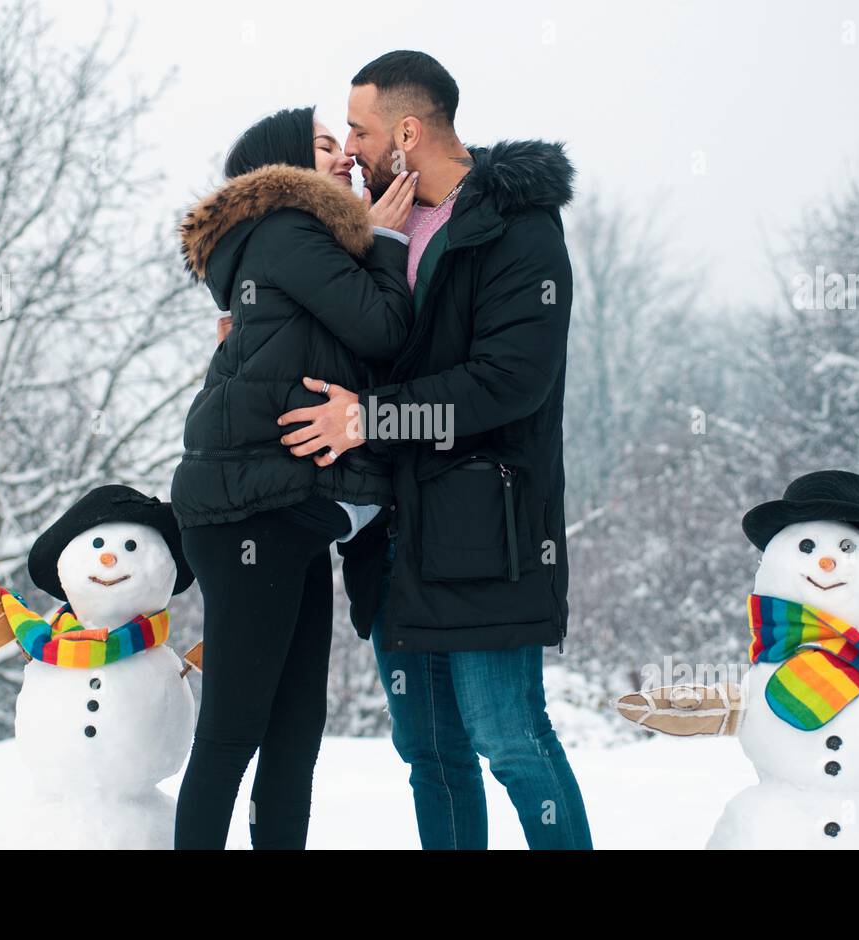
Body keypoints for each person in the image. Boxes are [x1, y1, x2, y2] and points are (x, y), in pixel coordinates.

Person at [276, 52, 593, 849]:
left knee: (509, 738)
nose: (350, 148)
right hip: (392, 533)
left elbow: (508, 382)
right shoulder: (376, 226)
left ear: (409, 132)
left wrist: (370, 419)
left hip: (488, 531)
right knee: (430, 752)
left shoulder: (516, 230)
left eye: (361, 130)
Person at [171, 106, 417, 849]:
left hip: (290, 511)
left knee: (295, 727)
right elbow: (382, 328)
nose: (345, 157)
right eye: (324, 145)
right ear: (284, 164)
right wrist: (387, 242)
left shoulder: (301, 240)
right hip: (254, 515)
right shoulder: (286, 228)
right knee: (234, 729)